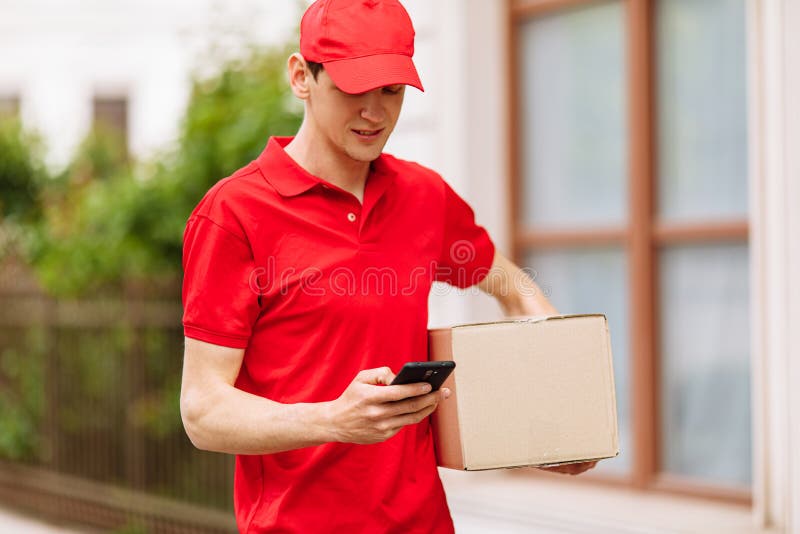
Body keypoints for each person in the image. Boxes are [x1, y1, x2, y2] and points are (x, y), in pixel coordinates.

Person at [179, 0, 598, 532]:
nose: (375, 113)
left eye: (392, 90)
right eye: (354, 89)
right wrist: (334, 419)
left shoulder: (423, 196)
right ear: (302, 76)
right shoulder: (234, 214)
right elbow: (203, 411)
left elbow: (514, 287)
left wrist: (559, 418)